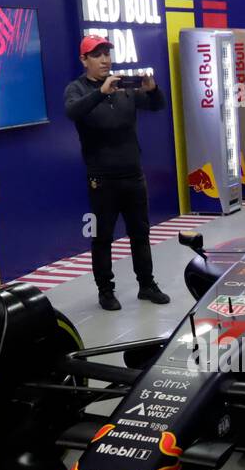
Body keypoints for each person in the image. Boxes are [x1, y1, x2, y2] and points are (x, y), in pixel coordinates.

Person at [64, 35, 170, 311]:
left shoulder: (124, 87)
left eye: (107, 54)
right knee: (102, 237)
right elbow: (72, 112)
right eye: (97, 55)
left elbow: (157, 105)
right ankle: (106, 291)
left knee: (140, 233)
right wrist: (101, 93)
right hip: (101, 179)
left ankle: (146, 285)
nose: (105, 60)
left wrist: (152, 88)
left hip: (134, 175)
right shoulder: (76, 89)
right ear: (84, 60)